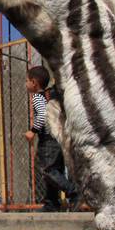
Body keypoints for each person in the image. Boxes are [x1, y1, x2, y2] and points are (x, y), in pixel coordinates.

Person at [24, 66, 74, 211]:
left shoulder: (38, 98)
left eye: (27, 81)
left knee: (48, 170)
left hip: (48, 139)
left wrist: (32, 131)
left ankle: (73, 191)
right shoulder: (48, 96)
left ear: (34, 82)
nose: (26, 84)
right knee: (54, 170)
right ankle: (52, 203)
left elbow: (42, 115)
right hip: (57, 138)